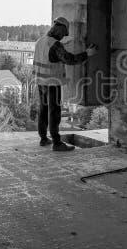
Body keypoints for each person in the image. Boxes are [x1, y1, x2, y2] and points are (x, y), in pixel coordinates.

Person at [34, 17, 97, 151]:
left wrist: (63, 45)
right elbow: (70, 59)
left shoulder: (40, 41)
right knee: (54, 112)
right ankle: (57, 143)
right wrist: (88, 53)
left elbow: (49, 56)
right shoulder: (55, 45)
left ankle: (43, 138)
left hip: (41, 82)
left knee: (43, 110)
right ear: (60, 30)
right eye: (63, 34)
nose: (63, 37)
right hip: (52, 83)